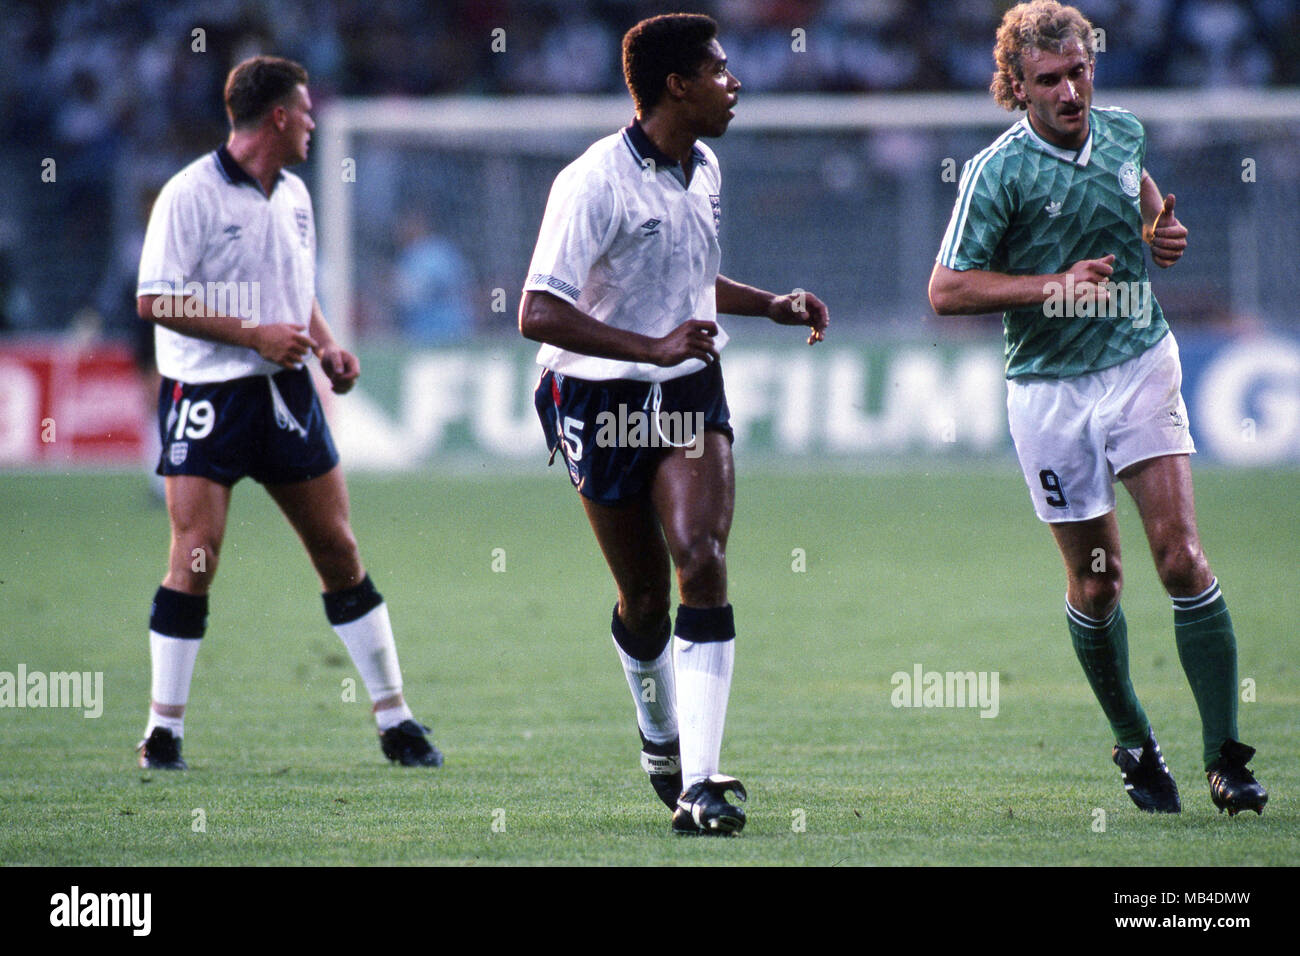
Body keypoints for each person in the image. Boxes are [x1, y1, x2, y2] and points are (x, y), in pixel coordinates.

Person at [929, 1, 1265, 815]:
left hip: (1139, 362)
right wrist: (1052, 286)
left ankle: (1226, 756)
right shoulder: (997, 172)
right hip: (1048, 392)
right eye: (1050, 80)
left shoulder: (1123, 132)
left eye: (1080, 71)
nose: (1071, 91)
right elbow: (946, 290)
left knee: (1180, 557)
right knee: (1098, 581)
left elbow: (1148, 203)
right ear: (1018, 86)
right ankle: (1137, 743)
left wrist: (1162, 231)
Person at [519, 14, 829, 835]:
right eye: (721, 71)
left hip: (688, 384)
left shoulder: (707, 167)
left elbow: (690, 276)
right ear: (676, 86)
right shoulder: (591, 182)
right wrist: (647, 347)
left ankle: (702, 783)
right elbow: (536, 310)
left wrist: (766, 304)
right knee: (646, 598)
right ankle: (661, 740)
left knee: (702, 555)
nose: (736, 84)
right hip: (599, 399)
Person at [134, 56, 441, 770]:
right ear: (277, 116)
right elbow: (154, 300)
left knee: (337, 549)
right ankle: (163, 732)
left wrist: (328, 346)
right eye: (305, 112)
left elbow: (294, 290)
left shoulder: (296, 195)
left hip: (284, 394)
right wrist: (252, 335)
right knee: (196, 555)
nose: (312, 123)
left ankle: (396, 719)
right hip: (206, 394)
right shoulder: (190, 195)